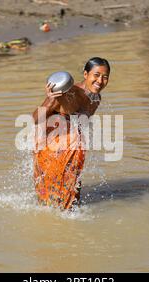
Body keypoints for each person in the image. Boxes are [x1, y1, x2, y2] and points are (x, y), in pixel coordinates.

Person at [32, 57, 110, 210]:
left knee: (73, 195)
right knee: (52, 199)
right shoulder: (68, 93)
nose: (100, 80)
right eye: (96, 75)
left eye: (105, 77)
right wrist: (49, 100)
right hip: (52, 148)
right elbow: (35, 118)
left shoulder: (96, 98)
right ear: (86, 74)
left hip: (72, 147)